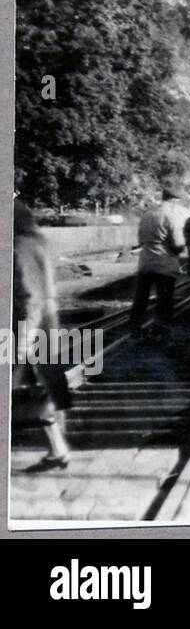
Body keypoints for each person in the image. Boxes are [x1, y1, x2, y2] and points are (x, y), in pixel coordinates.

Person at [12, 201, 72, 471]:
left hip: (29, 326)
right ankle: (57, 449)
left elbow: (28, 297)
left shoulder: (20, 247)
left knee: (26, 391)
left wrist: (23, 340)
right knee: (41, 390)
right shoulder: (35, 242)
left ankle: (58, 448)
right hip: (45, 322)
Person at [131, 187, 187, 332]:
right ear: (174, 201)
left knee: (141, 298)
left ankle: (134, 327)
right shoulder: (171, 216)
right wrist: (180, 250)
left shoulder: (146, 215)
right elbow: (178, 244)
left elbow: (140, 240)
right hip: (164, 263)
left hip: (145, 263)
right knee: (164, 299)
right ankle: (160, 330)